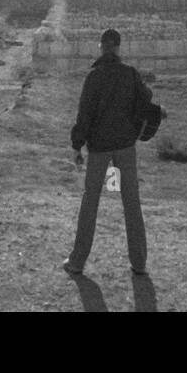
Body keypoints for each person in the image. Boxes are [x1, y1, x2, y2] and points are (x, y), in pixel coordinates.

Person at [63, 27, 153, 277]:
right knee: (131, 203)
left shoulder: (94, 77)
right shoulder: (130, 74)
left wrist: (76, 145)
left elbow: (85, 115)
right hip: (125, 146)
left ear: (101, 47)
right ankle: (139, 263)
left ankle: (78, 261)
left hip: (100, 148)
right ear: (118, 48)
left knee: (90, 202)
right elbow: (145, 98)